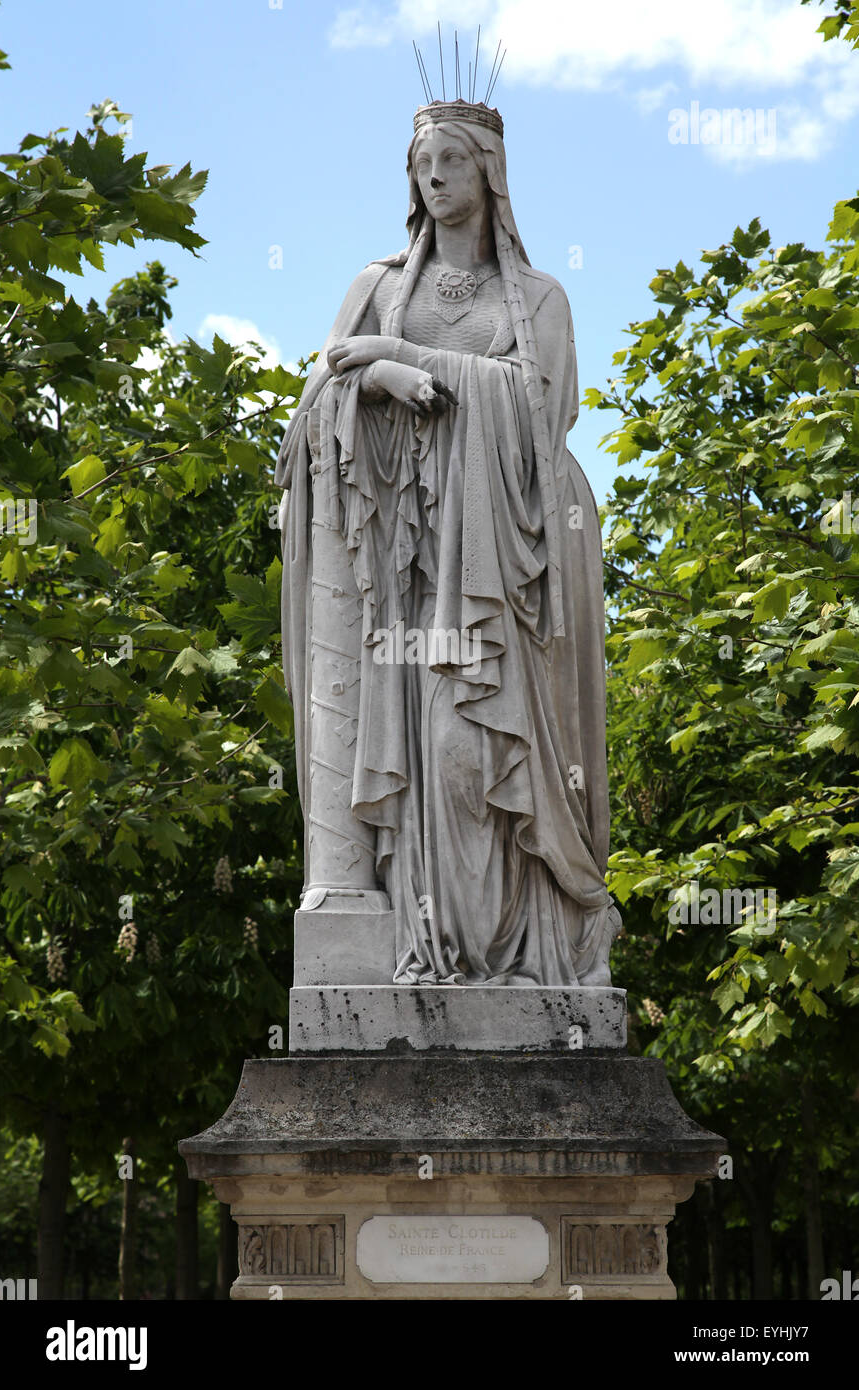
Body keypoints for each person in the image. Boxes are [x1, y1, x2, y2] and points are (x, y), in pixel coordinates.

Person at [275, 98, 621, 988]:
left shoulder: (540, 296)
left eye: (451, 162)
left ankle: (521, 952)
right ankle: (429, 944)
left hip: (514, 557)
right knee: (437, 751)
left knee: (491, 755)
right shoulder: (378, 285)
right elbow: (315, 407)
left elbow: (543, 410)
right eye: (421, 162)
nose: (432, 177)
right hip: (405, 565)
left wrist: (401, 357)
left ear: (490, 174)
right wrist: (376, 370)